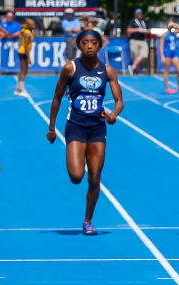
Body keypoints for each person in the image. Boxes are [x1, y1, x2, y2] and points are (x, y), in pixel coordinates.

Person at [46, 30, 124, 236]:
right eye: (85, 42)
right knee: (76, 176)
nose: (89, 46)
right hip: (76, 126)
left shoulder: (108, 71)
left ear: (99, 46)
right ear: (79, 45)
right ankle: (86, 214)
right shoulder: (70, 69)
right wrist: (51, 128)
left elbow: (119, 102)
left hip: (98, 127)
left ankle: (88, 221)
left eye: (93, 42)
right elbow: (56, 98)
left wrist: (114, 114)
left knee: (95, 177)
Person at [160, 21, 179, 94]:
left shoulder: (174, 33)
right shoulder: (164, 35)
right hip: (167, 54)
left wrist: (175, 24)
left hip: (174, 54)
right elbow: (161, 46)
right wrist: (162, 56)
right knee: (167, 70)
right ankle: (167, 88)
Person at [14, 18, 35, 97]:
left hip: (22, 52)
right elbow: (25, 46)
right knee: (23, 71)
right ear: (29, 25)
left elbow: (20, 41)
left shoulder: (25, 32)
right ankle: (20, 90)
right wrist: (28, 57)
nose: (34, 26)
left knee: (23, 71)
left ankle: (18, 89)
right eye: (33, 24)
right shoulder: (27, 33)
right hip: (23, 53)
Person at [126, 8, 148, 75]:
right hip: (134, 40)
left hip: (142, 40)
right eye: (138, 13)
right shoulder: (132, 21)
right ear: (135, 14)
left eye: (140, 13)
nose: (140, 15)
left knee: (144, 54)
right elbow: (128, 30)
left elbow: (147, 30)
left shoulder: (143, 22)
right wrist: (138, 29)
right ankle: (136, 71)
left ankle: (133, 67)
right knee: (135, 56)